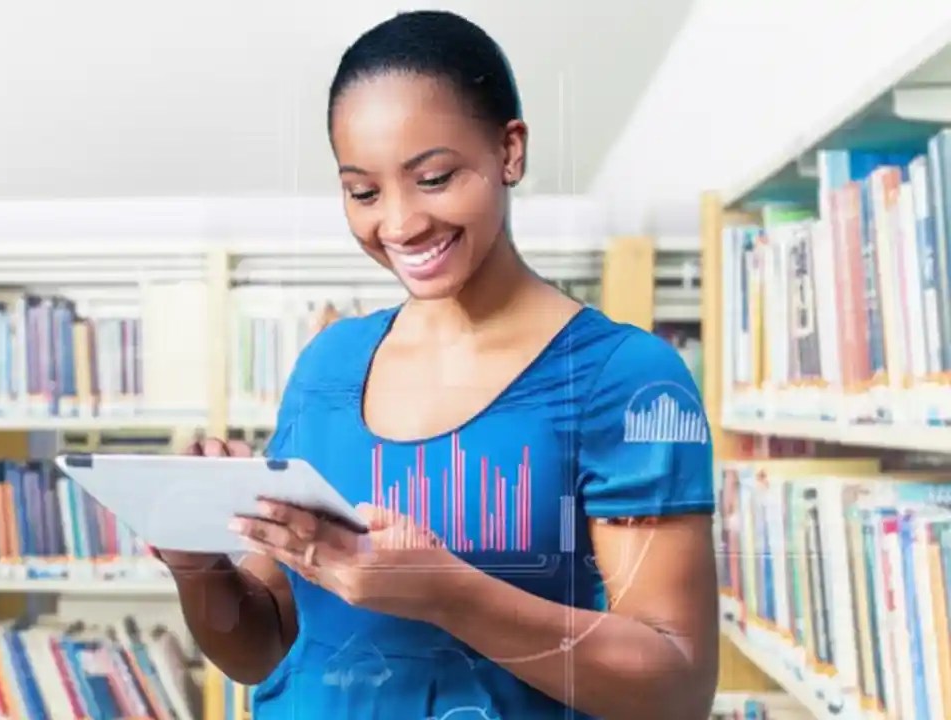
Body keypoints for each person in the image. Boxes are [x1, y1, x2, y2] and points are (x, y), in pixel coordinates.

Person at [156, 10, 719, 719]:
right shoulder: (328, 364)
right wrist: (196, 566)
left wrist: (444, 591)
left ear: (510, 151)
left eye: (434, 177)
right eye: (363, 192)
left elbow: (677, 687)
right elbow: (265, 645)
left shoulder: (625, 379)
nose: (398, 224)